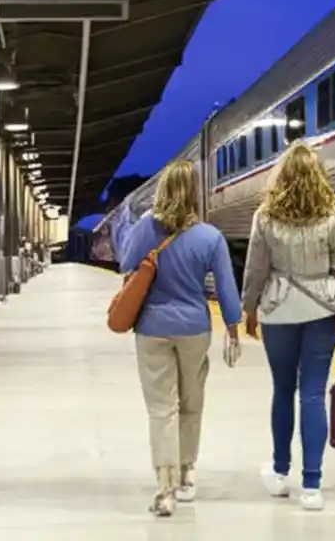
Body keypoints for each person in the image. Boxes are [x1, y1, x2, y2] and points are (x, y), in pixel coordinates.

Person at [118, 160, 242, 517]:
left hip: (152, 328)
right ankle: (187, 474)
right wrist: (233, 328)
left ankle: (164, 487)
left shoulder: (146, 228)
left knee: (161, 409)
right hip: (194, 329)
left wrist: (141, 228)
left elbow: (127, 261)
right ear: (195, 193)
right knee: (192, 403)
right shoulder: (210, 237)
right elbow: (226, 288)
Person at [241, 142, 335, 512]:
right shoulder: (332, 216)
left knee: (283, 390)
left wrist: (250, 309)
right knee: (312, 394)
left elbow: (256, 269)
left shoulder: (265, 217)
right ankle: (312, 485)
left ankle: (278, 471)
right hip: (322, 309)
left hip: (278, 310)